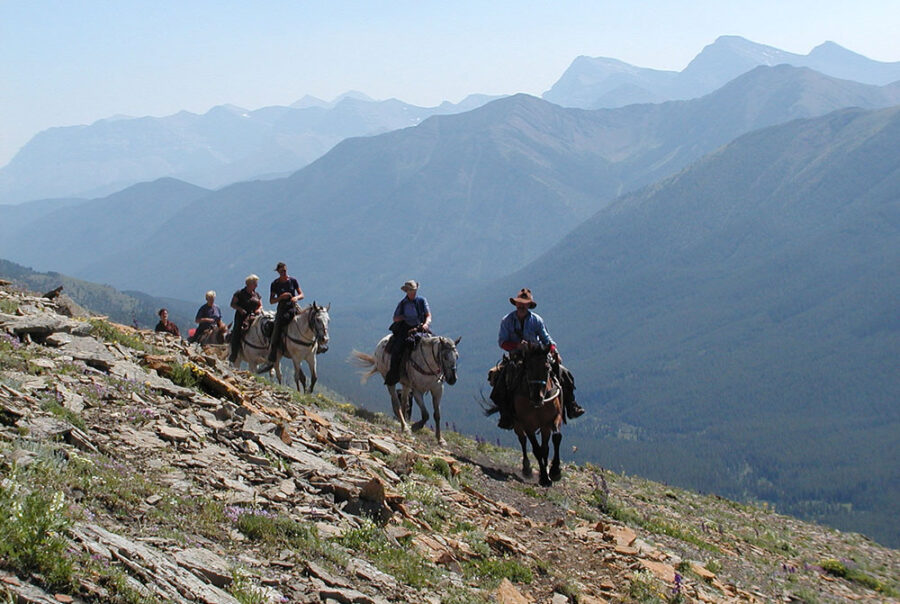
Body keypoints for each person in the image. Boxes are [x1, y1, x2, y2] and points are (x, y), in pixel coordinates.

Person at [490, 288, 584, 429]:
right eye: (519, 304)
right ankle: (506, 415)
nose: (521, 306)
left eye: (524, 304)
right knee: (501, 381)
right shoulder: (507, 321)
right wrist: (517, 346)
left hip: (538, 356)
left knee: (565, 374)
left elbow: (546, 339)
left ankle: (571, 406)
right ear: (515, 304)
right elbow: (502, 342)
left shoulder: (536, 320)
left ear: (529, 305)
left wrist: (554, 351)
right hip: (517, 357)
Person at [256, 262, 303, 373]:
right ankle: (271, 359)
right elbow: (271, 301)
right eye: (282, 271)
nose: (284, 273)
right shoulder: (275, 284)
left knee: (309, 322)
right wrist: (281, 297)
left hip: (293, 307)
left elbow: (301, 294)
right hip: (282, 310)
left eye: (285, 271)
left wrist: (296, 298)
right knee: (276, 330)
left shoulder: (293, 281)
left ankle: (318, 344)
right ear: (278, 272)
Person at [385, 280, 432, 386]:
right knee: (397, 349)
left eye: (414, 290)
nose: (413, 292)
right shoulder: (402, 304)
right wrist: (404, 317)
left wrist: (426, 324)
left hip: (420, 327)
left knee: (435, 345)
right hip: (406, 328)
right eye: (411, 290)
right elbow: (395, 318)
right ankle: (395, 374)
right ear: (407, 291)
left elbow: (428, 315)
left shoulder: (421, 301)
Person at [229, 274, 263, 363]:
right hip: (241, 316)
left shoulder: (257, 295)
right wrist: (240, 309)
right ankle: (234, 353)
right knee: (237, 330)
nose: (256, 285)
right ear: (249, 284)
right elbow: (232, 304)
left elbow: (260, 305)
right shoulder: (240, 293)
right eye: (255, 283)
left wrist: (258, 310)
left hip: (253, 316)